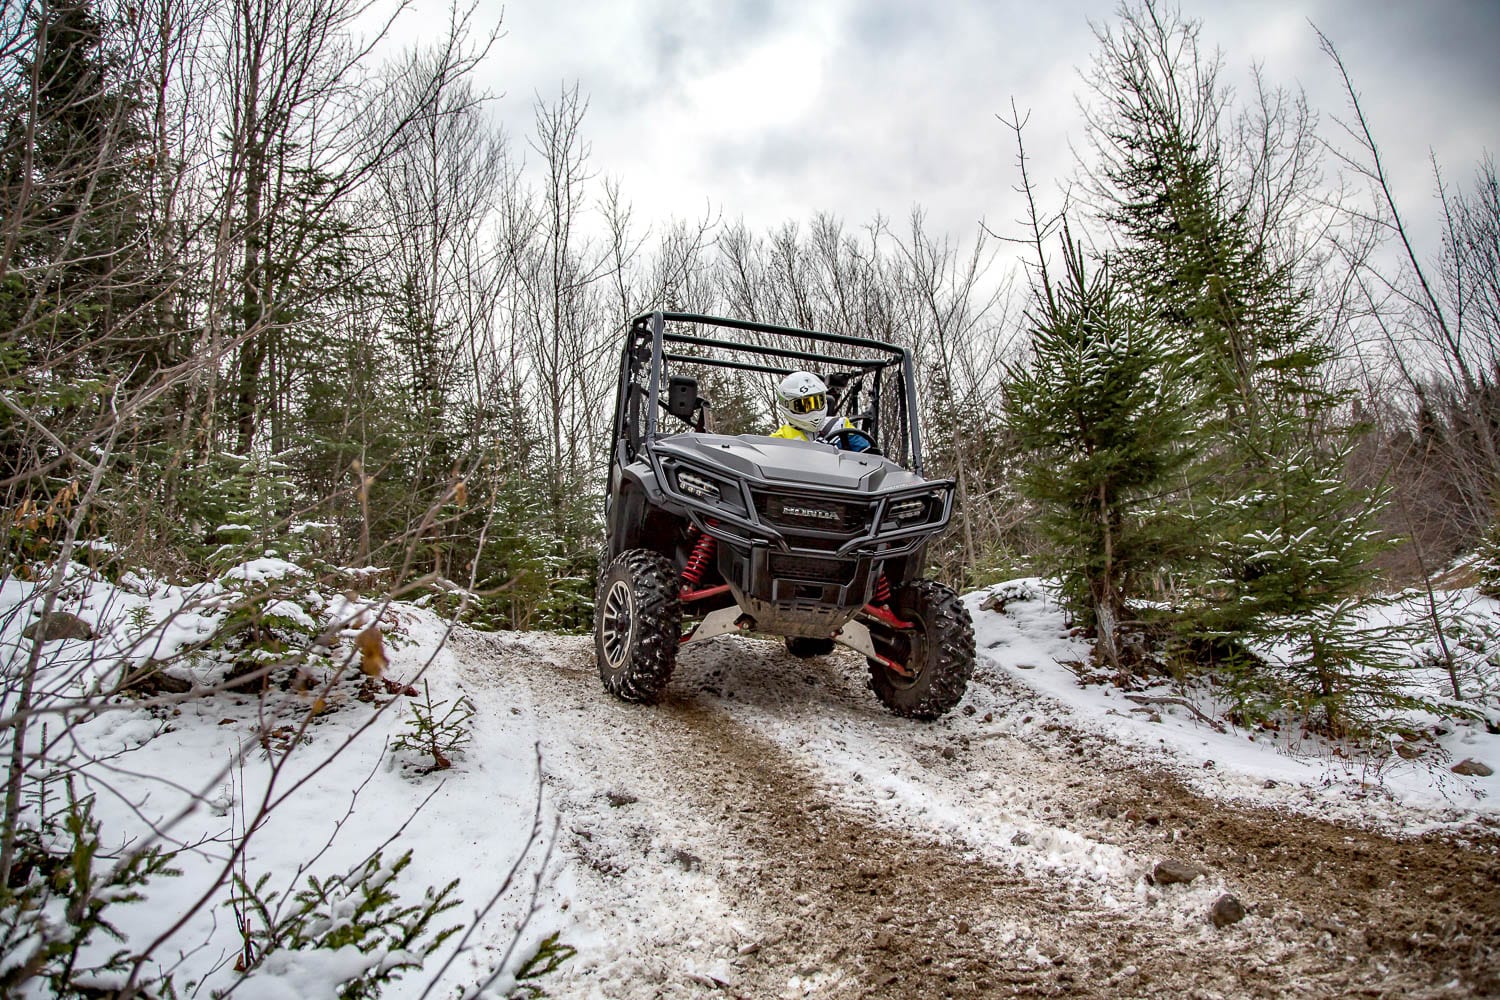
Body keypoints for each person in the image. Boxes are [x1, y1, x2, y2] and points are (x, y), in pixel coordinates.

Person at [770, 371, 873, 450]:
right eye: (805, 405)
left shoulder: (839, 425)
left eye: (817, 402)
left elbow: (869, 456)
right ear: (787, 406)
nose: (813, 410)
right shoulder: (779, 439)